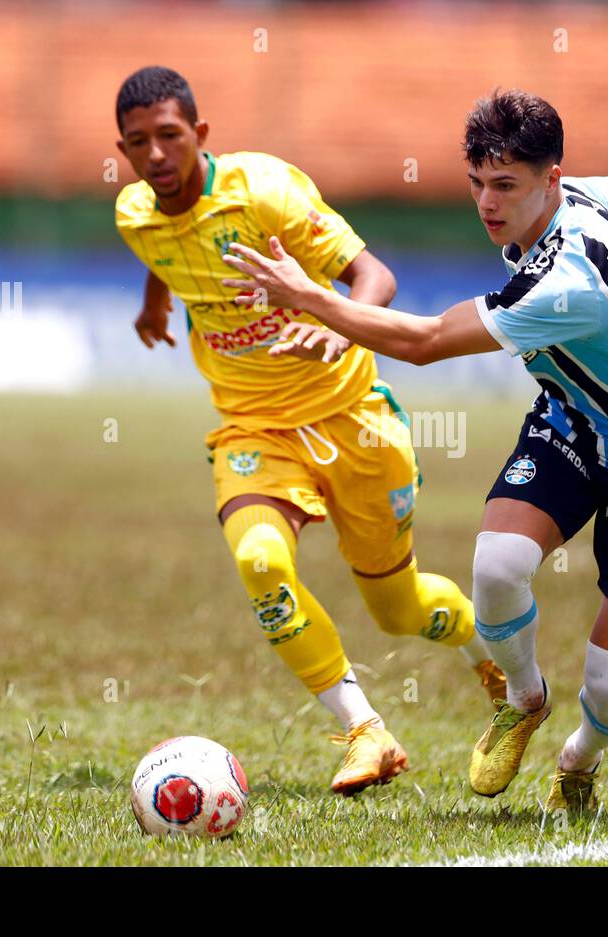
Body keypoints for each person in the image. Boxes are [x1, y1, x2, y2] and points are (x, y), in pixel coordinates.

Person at [221, 89, 608, 812]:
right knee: (497, 565)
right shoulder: (580, 195)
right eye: (477, 183)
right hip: (574, 424)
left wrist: (313, 297)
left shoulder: (568, 280)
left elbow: (423, 344)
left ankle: (579, 760)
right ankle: (523, 698)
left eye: (506, 186)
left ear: (550, 179)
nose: (487, 203)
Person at [113, 66, 506, 797]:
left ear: (199, 135)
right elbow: (164, 250)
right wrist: (153, 305)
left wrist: (344, 333)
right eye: (139, 143)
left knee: (400, 611)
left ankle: (497, 664)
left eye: (170, 136)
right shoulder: (134, 214)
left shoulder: (265, 191)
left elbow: (374, 277)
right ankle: (367, 732)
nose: (157, 154)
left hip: (352, 419)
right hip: (253, 428)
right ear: (124, 150)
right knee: (261, 562)